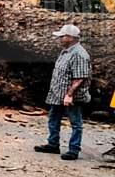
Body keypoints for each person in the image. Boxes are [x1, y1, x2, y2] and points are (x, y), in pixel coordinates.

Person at [34, 24, 91, 161]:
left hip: (71, 96)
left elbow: (80, 78)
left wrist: (69, 95)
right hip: (58, 94)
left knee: (75, 123)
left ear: (70, 38)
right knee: (53, 119)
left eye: (62, 36)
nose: (60, 39)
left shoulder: (79, 54)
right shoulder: (66, 51)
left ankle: (73, 150)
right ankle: (53, 144)